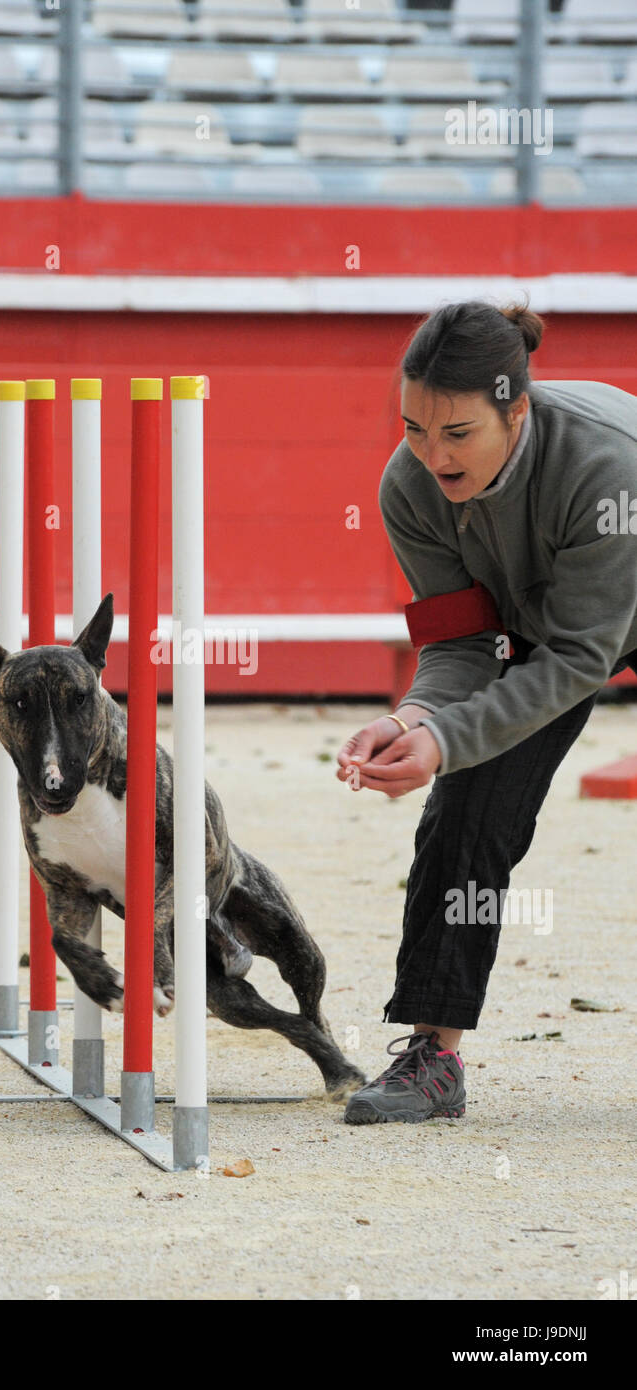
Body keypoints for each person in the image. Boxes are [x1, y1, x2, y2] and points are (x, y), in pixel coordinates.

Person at [335, 298, 637, 1125]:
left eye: (458, 433)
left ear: (517, 413)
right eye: (414, 429)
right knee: (466, 805)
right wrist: (417, 721)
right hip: (542, 622)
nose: (433, 455)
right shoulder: (410, 488)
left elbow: (581, 657)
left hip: (608, 597)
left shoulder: (607, 467)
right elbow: (461, 642)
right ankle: (433, 1060)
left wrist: (445, 735)